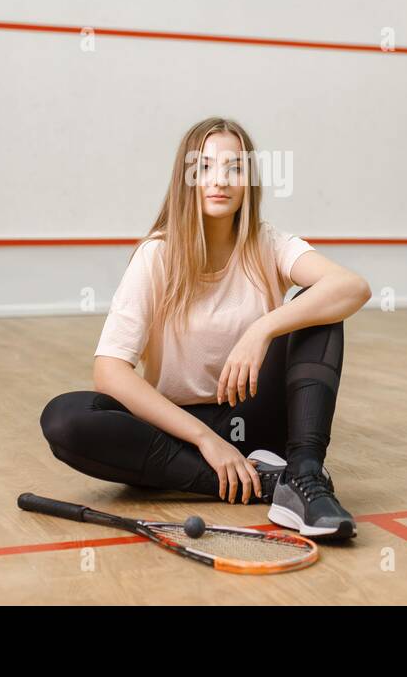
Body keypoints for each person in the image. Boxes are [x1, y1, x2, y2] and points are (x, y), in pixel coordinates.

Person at [39, 117, 371, 540]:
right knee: (66, 419)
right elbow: (109, 371)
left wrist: (262, 330)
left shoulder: (267, 242)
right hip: (177, 431)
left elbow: (352, 287)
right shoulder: (157, 255)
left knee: (319, 308)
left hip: (254, 420)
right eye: (206, 167)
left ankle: (304, 474)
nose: (221, 180)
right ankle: (262, 483)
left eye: (234, 167)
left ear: (248, 181)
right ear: (187, 179)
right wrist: (205, 439)